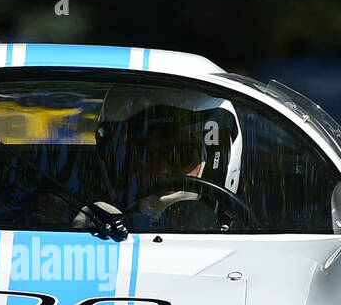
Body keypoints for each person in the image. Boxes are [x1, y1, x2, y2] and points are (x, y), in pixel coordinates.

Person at [88, 87, 243, 231]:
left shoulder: (255, 240)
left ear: (211, 163)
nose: (160, 171)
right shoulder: (99, 239)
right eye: (146, 156)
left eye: (179, 155)